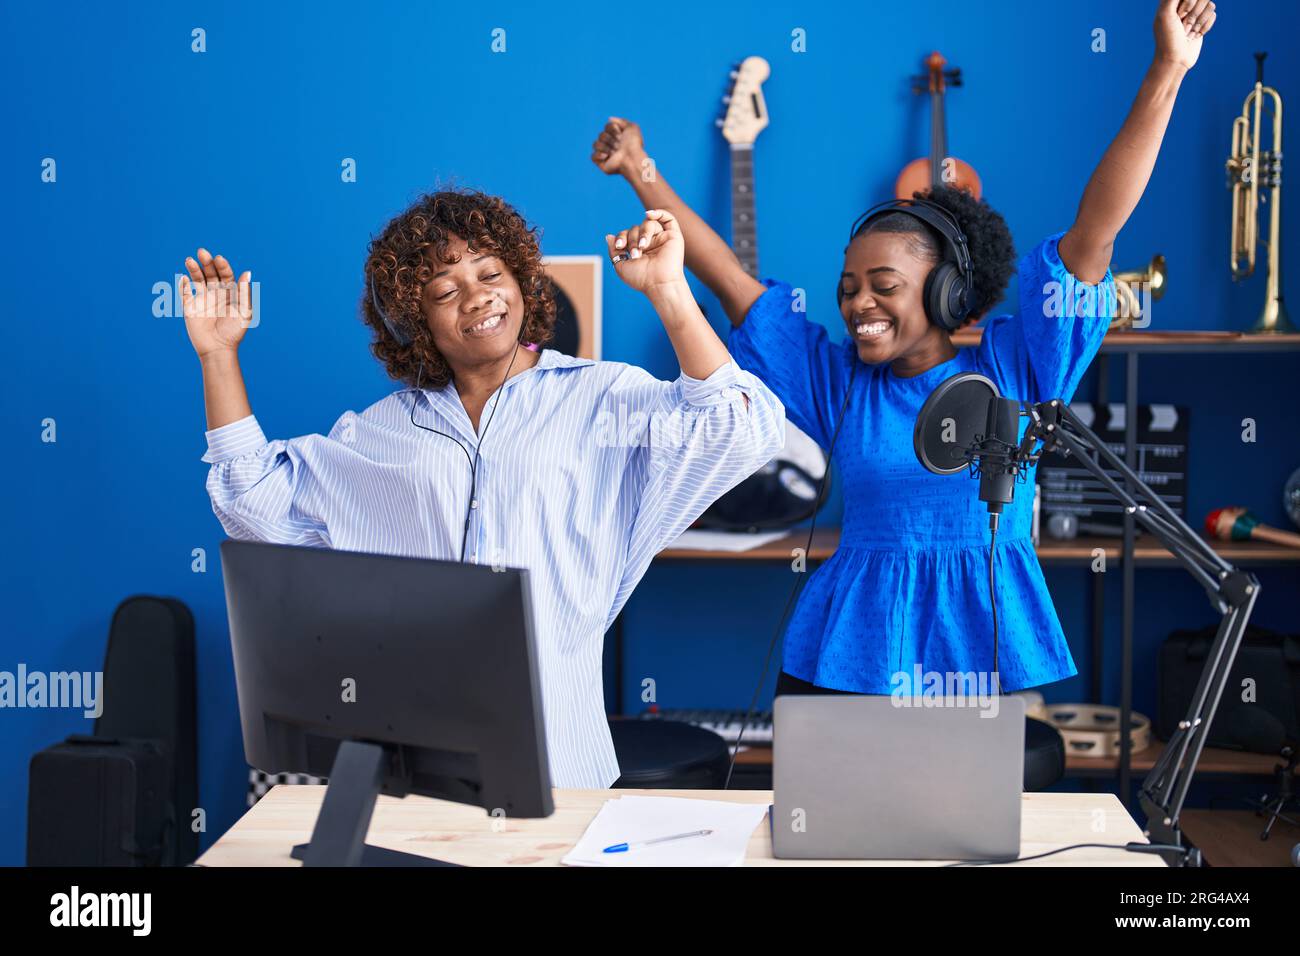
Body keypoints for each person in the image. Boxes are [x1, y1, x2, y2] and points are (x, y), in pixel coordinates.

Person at [591, 0, 1215, 696]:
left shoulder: (1017, 368)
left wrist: (1168, 68)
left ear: (948, 291)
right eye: (849, 287)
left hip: (984, 645)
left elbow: (1095, 233)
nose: (859, 304)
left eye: (883, 285)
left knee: (966, 809)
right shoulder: (840, 383)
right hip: (850, 648)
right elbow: (729, 280)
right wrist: (638, 169)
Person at [181, 188, 784, 787]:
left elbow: (742, 426)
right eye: (446, 290)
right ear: (414, 321)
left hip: (563, 765)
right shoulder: (380, 434)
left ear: (521, 279)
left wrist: (668, 291)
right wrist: (218, 355)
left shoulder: (599, 397)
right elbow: (253, 499)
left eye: (492, 272)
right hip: (416, 766)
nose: (479, 296)